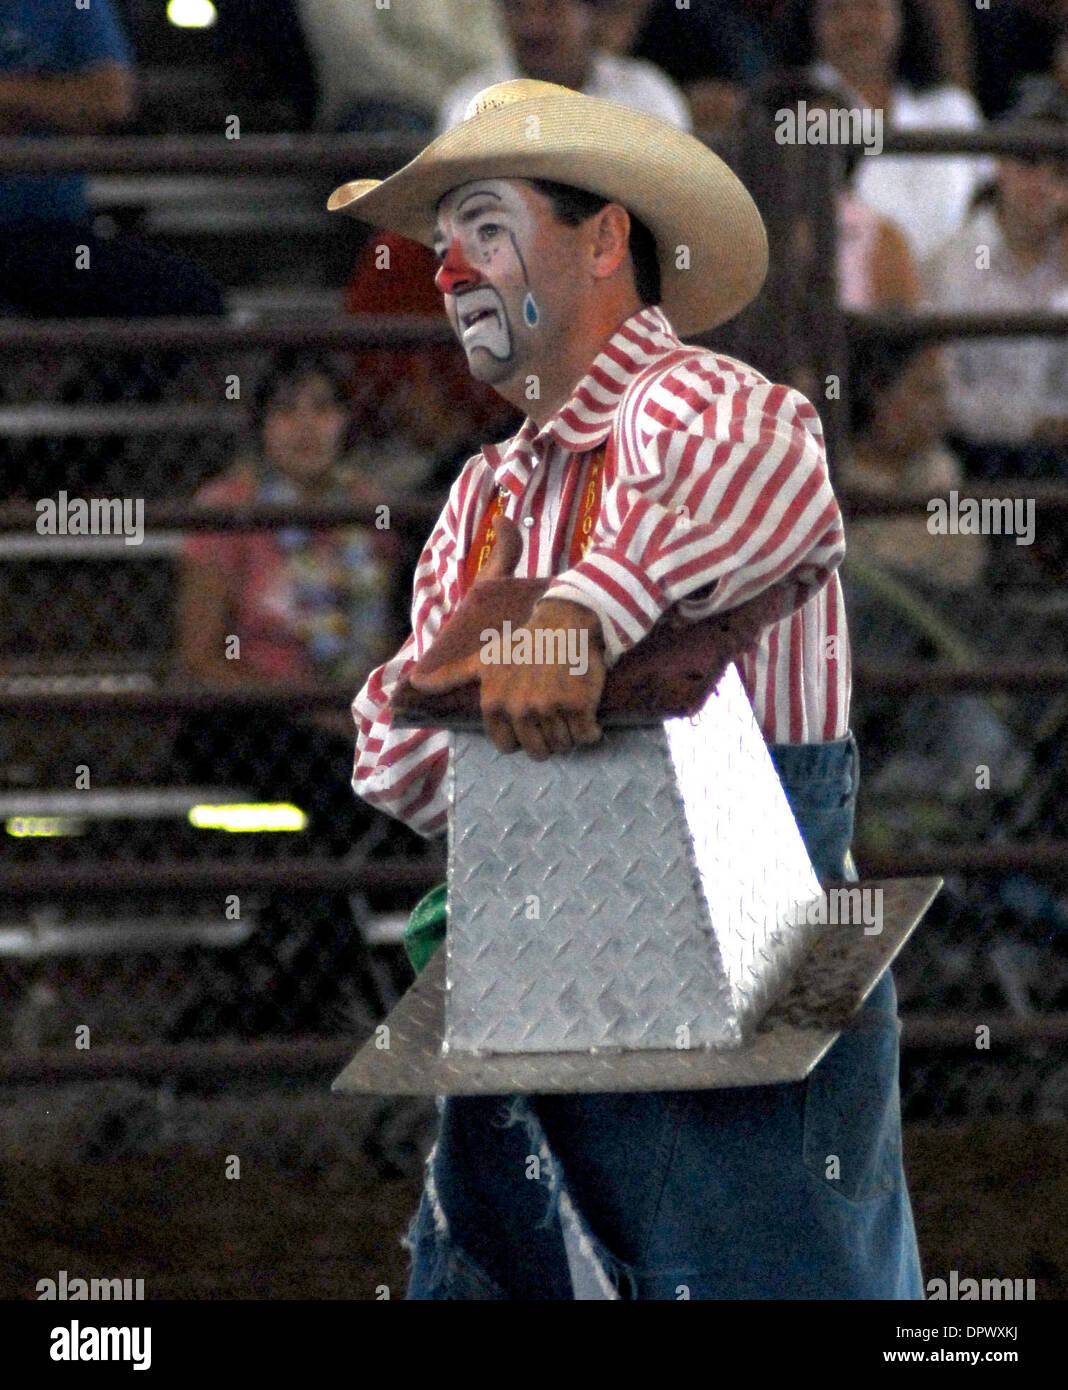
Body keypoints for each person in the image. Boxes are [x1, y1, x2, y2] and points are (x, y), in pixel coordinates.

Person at [329, 78, 923, 1299]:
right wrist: (507, 680)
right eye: (444, 247)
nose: (449, 276)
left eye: (485, 229)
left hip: (758, 972)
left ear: (606, 238)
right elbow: (391, 760)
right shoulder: (485, 493)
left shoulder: (698, 403)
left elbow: (775, 476)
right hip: (545, 985)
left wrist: (573, 621)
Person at [172, 350, 423, 1034]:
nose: (306, 427)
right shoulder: (226, 509)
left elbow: (391, 640)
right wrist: (315, 709)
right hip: (246, 721)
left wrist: (361, 709)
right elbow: (201, 658)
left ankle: (279, 982)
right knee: (354, 801)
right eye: (287, 409)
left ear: (345, 421)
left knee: (358, 808)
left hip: (349, 723)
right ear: (261, 425)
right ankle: (348, 991)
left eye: (322, 407)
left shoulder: (370, 511)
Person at [0, 0, 222, 321]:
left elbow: (110, 100)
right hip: (40, 238)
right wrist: (50, 98)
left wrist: (9, 96)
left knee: (190, 299)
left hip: (48, 235)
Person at [781, 0, 992, 263]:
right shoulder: (792, 113)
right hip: (848, 294)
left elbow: (987, 209)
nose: (855, 24)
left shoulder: (953, 108)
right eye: (836, 9)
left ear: (902, 14)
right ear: (811, 22)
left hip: (957, 294)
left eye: (871, 6)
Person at [921, 102, 1068, 471]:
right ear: (1000, 165)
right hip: (975, 458)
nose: (1043, 185)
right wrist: (1037, 423)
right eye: (1030, 163)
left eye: (1061, 173)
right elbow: (944, 393)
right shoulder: (953, 263)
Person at [438, 0, 690, 133]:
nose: (533, 25)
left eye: (551, 7)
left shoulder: (645, 94)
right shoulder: (471, 102)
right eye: (517, 8)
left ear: (591, 15)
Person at [297, 0, 509, 134]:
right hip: (389, 107)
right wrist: (449, 101)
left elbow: (495, 48)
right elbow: (361, 59)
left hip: (473, 99)